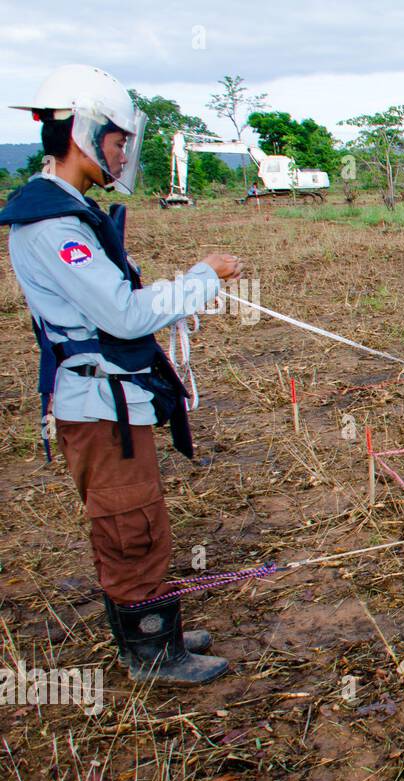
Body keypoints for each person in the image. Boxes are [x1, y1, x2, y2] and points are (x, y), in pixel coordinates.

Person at [0, 64, 242, 684]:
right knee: (129, 523)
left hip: (112, 401)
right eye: (116, 140)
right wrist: (202, 279)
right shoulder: (52, 224)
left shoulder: (72, 210)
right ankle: (152, 652)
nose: (121, 153)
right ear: (82, 131)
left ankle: (154, 625)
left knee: (138, 516)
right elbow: (126, 313)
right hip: (99, 407)